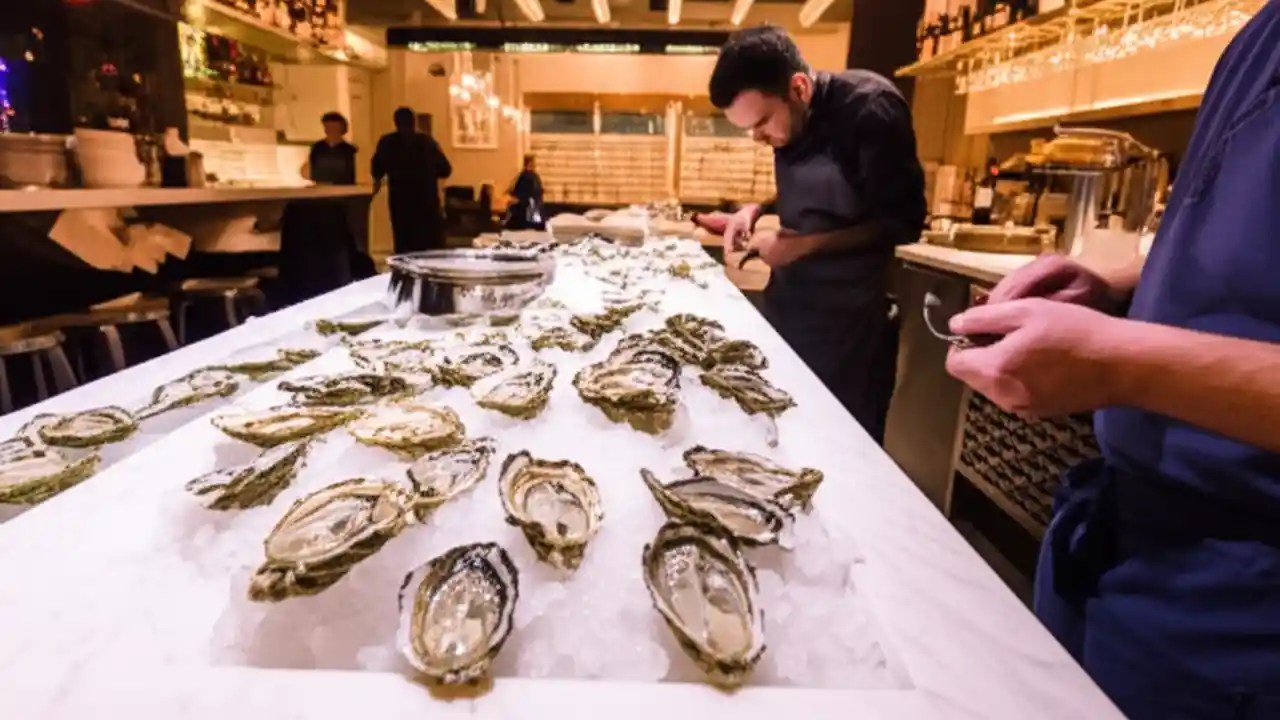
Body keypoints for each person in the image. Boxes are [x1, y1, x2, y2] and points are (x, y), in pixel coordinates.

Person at [945, 5, 1280, 717]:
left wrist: (1120, 364)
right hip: (1130, 562)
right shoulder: (1262, 34)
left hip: (1243, 616)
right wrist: (1115, 287)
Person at [695, 26, 925, 445]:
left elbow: (903, 220)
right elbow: (816, 195)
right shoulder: (791, 120)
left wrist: (803, 246)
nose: (759, 138)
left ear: (798, 88)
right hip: (791, 307)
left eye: (762, 123)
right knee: (780, 436)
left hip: (852, 325)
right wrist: (756, 208)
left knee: (841, 448)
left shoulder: (871, 109)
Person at [371, 107, 453, 254]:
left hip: (400, 199)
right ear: (414, 121)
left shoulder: (387, 143)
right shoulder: (427, 142)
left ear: (395, 122)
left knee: (403, 240)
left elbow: (377, 169)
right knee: (428, 242)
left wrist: (377, 183)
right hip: (426, 198)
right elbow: (445, 169)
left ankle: (405, 272)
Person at [307, 111, 357, 185]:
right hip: (321, 189)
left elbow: (351, 174)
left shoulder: (350, 150)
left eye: (334, 127)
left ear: (342, 128)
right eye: (328, 127)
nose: (330, 130)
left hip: (344, 190)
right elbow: (313, 171)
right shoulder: (317, 147)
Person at [503, 154, 545, 231]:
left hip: (523, 214)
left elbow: (518, 195)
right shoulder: (534, 177)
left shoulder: (524, 177)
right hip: (534, 213)